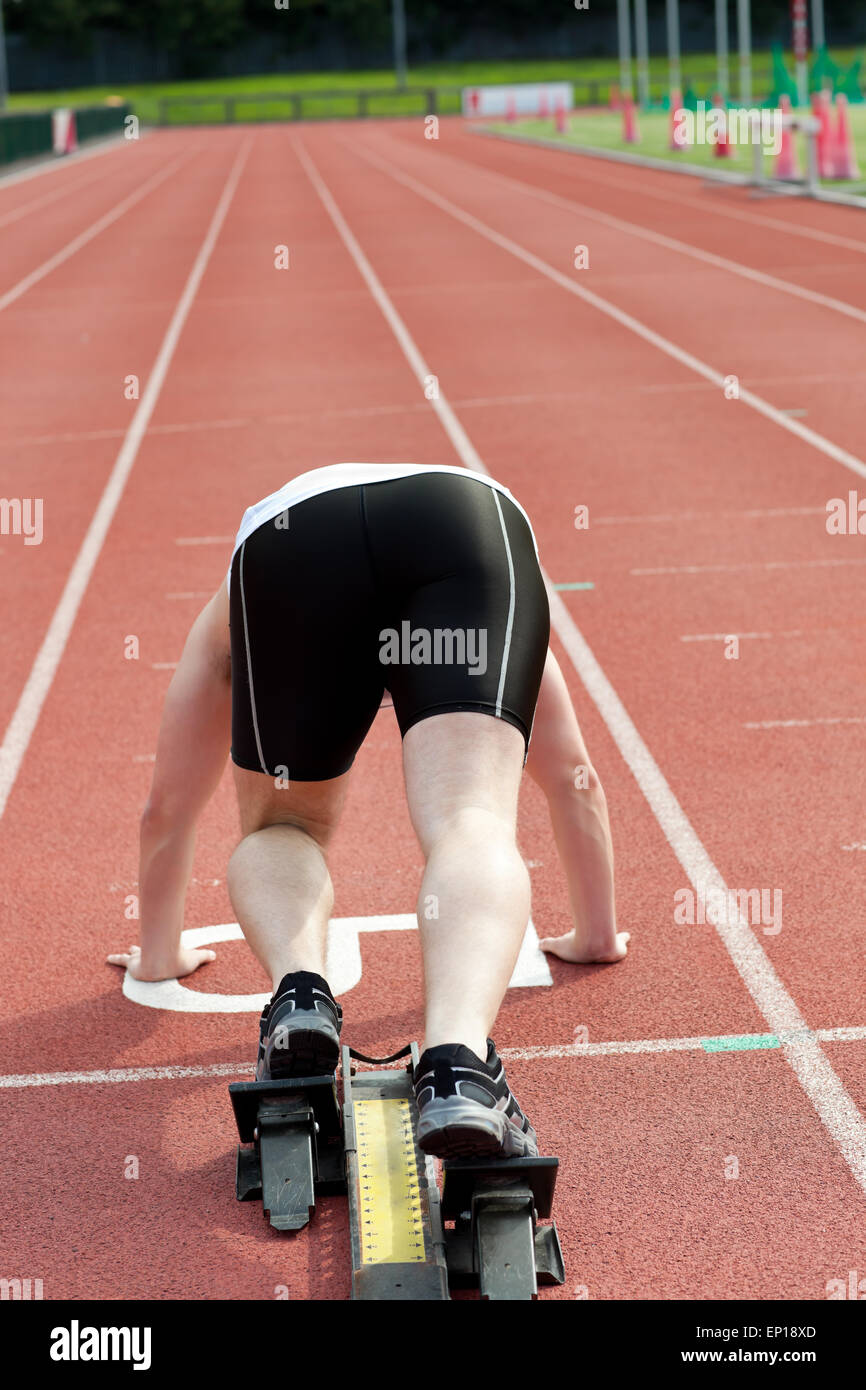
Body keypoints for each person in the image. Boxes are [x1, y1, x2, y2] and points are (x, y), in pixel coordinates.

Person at [108, 463, 626, 1160]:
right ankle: (456, 1070)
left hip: (291, 544)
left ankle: (299, 993)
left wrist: (159, 955)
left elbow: (164, 809)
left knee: (282, 826)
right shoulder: (469, 540)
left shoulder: (224, 613)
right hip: (465, 523)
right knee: (470, 816)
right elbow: (577, 778)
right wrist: (597, 934)